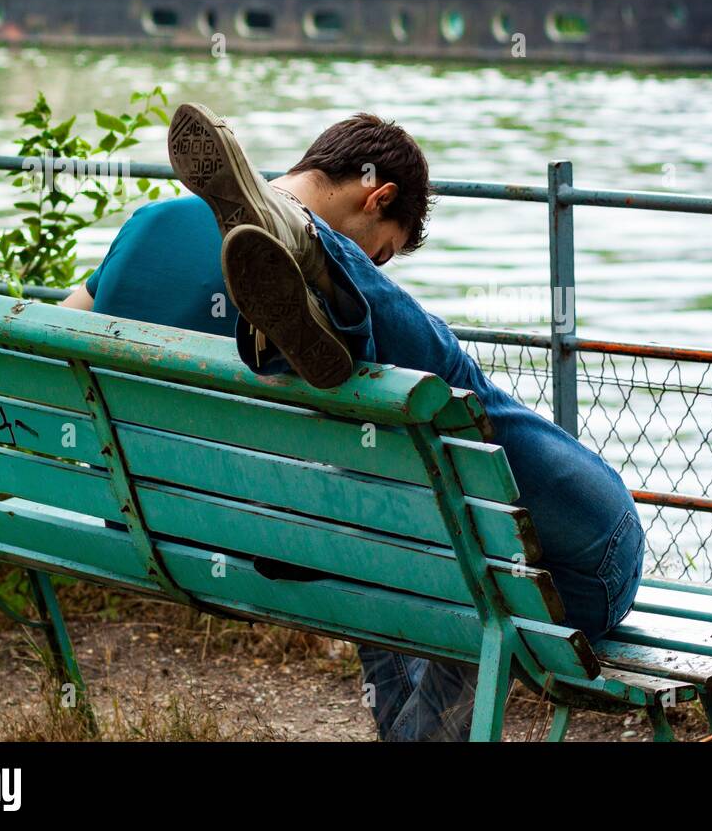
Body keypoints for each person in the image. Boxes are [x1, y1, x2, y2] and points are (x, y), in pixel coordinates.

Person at [63, 104, 645, 741]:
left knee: (421, 545)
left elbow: (51, 339)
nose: (384, 259)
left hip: (180, 527)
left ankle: (312, 268)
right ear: (379, 195)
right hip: (589, 560)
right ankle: (315, 252)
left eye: (375, 264)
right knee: (455, 392)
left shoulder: (152, 224)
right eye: (384, 252)